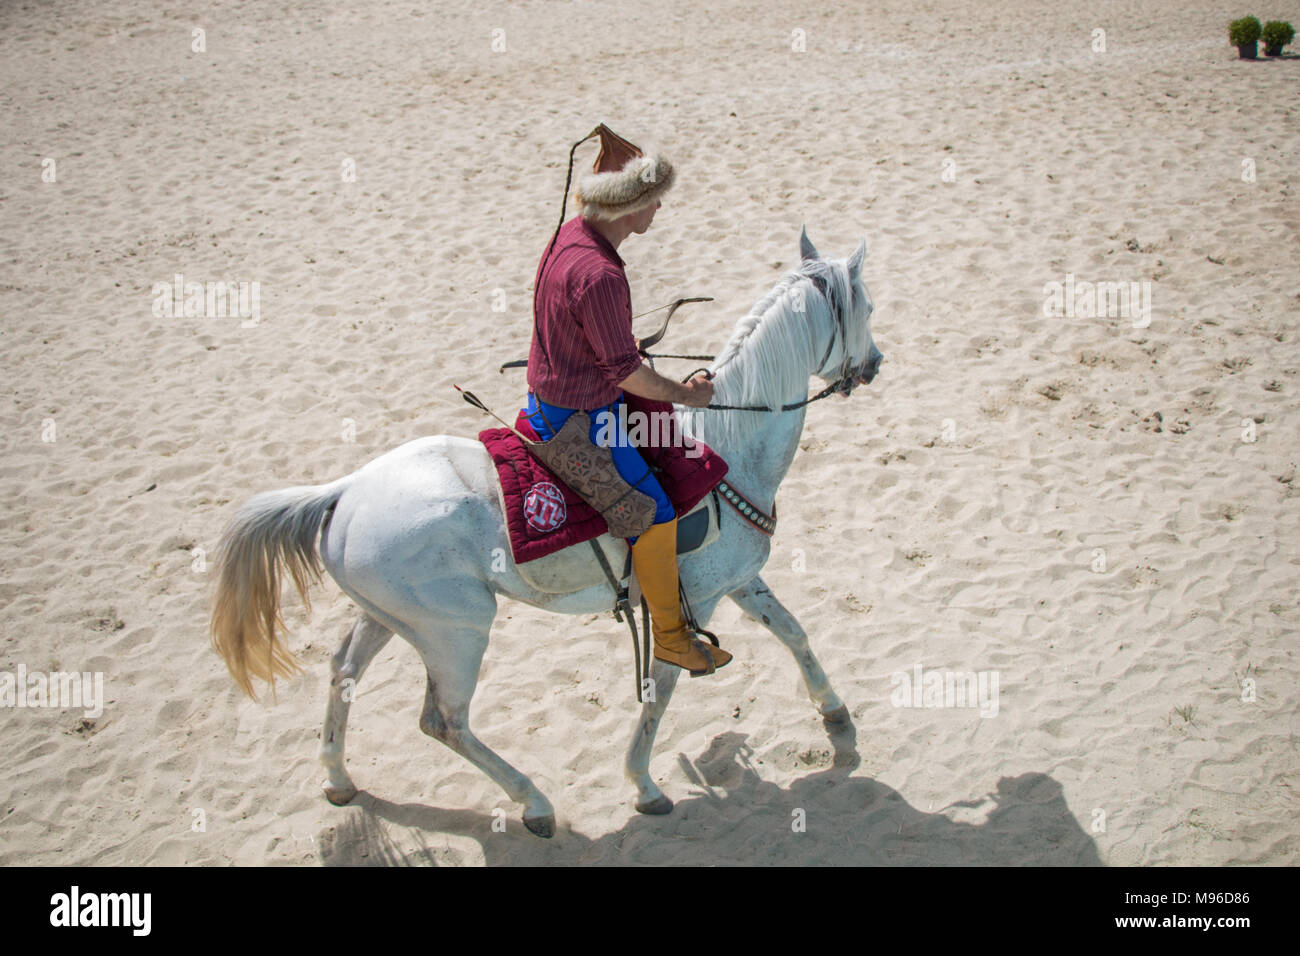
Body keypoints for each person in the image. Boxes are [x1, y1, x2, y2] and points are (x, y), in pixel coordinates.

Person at [523, 124, 732, 677]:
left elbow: (590, 337)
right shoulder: (602, 274)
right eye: (655, 201)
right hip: (583, 420)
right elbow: (624, 374)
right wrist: (688, 395)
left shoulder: (569, 236)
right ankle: (671, 638)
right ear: (632, 205)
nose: (659, 211)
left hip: (546, 395)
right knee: (654, 511)